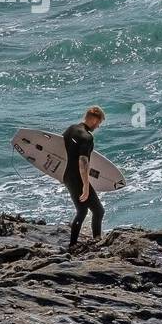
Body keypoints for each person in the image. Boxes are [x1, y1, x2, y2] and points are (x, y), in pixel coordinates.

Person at [62, 106, 105, 248]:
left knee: (82, 211)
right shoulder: (87, 137)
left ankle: (73, 244)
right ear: (93, 119)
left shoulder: (70, 129)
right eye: (98, 122)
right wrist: (86, 185)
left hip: (67, 176)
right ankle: (97, 240)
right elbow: (83, 161)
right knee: (98, 211)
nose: (98, 126)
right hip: (77, 178)